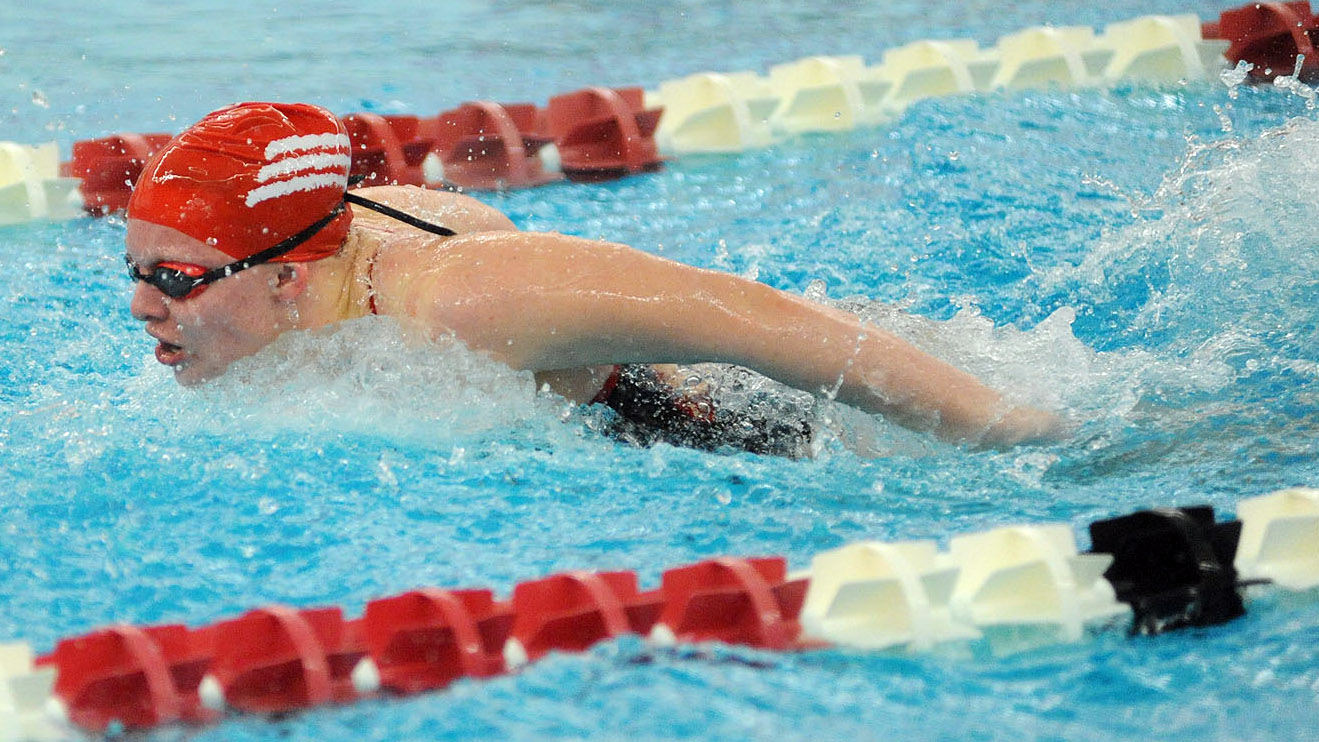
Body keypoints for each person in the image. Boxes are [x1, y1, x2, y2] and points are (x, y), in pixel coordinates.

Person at [124, 101, 1061, 452]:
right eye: (133, 271)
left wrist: (1013, 433)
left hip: (769, 423)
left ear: (290, 278)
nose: (141, 307)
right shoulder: (309, 251)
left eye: (173, 277)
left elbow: (756, 322)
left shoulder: (462, 299)